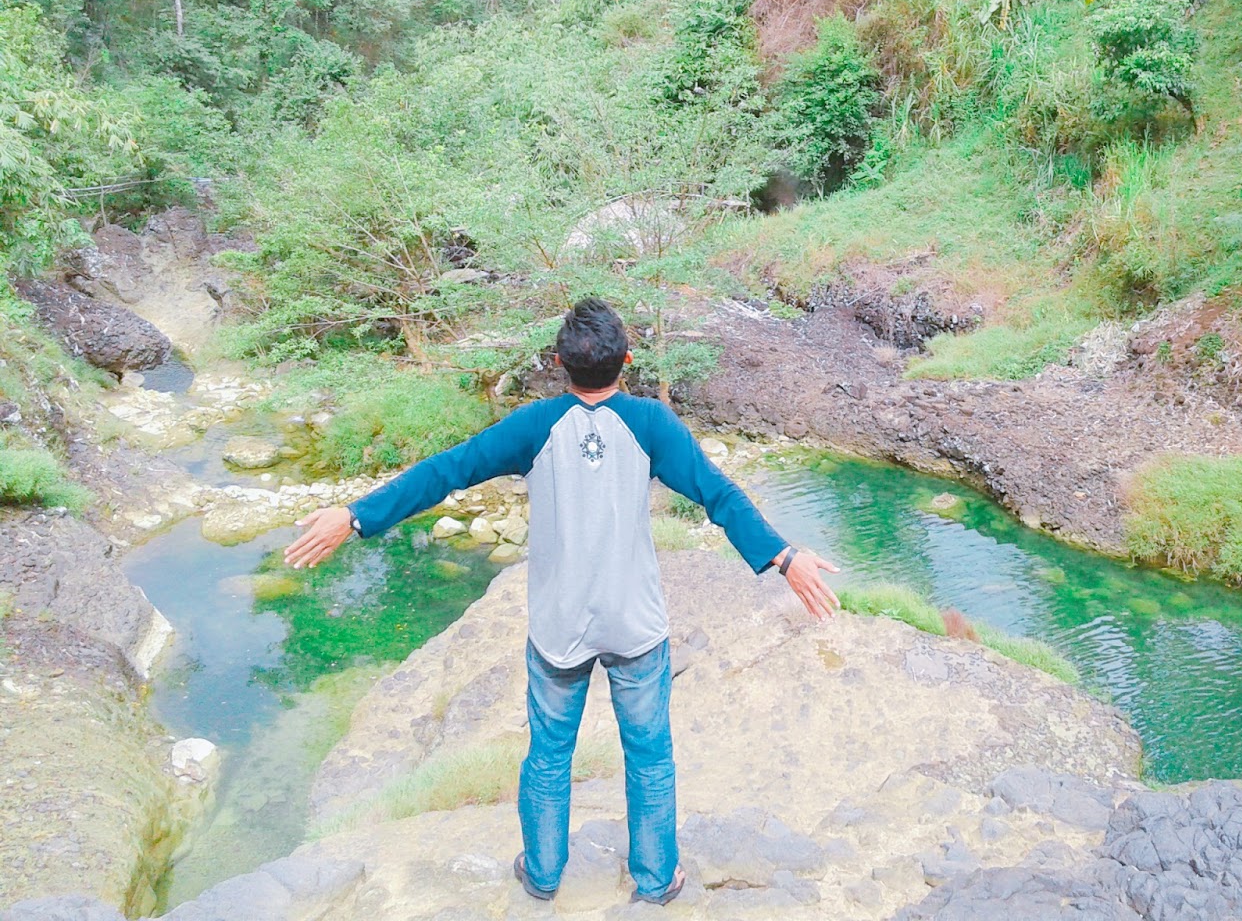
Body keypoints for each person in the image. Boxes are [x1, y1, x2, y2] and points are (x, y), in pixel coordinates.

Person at [282, 298, 839, 905]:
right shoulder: (651, 423)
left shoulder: (533, 426)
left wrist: (356, 516)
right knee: (649, 758)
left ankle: (543, 874)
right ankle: (656, 879)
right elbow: (718, 494)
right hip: (635, 625)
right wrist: (783, 557)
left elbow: (447, 471)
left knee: (549, 755)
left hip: (558, 627)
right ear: (628, 360)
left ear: (558, 363)